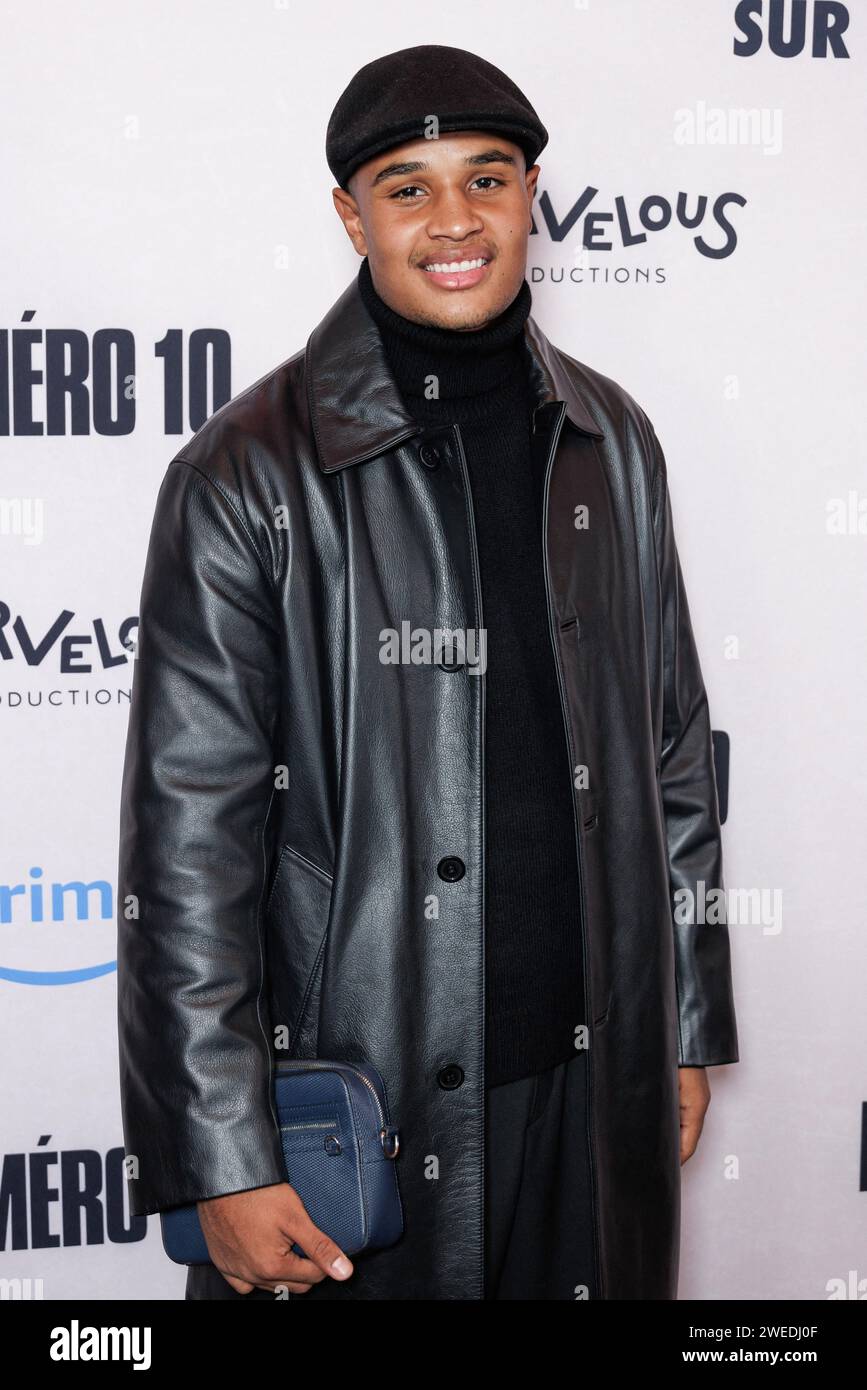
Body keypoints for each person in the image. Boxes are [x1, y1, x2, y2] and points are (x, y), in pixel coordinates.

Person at [117, 44, 738, 1301]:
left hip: (586, 1088)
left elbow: (673, 756)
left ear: (531, 196)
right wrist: (218, 1157)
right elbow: (187, 851)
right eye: (407, 188)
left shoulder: (612, 439)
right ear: (352, 216)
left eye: (487, 180)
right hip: (366, 1106)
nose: (454, 221)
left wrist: (681, 1027)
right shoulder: (245, 474)